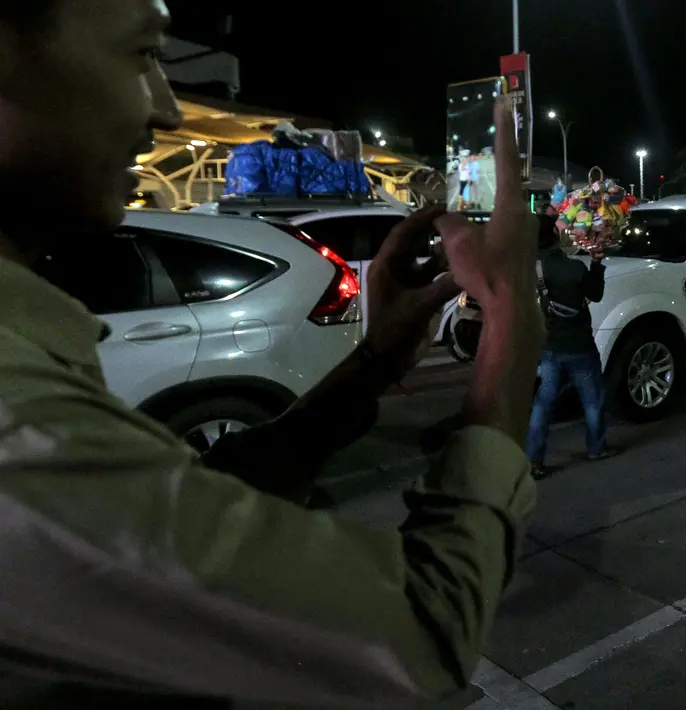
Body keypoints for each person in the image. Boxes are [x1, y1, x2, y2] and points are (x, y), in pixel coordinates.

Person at [0, 2, 543, 707]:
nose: (165, 110)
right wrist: (510, 321)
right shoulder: (20, 430)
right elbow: (419, 636)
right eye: (140, 55)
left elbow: (193, 519)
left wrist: (374, 362)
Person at [525, 217, 615, 477]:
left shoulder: (532, 268)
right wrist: (597, 264)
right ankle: (596, 448)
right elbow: (596, 294)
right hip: (579, 346)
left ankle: (533, 460)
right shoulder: (574, 268)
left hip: (549, 346)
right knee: (592, 400)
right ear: (554, 234)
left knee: (543, 404)